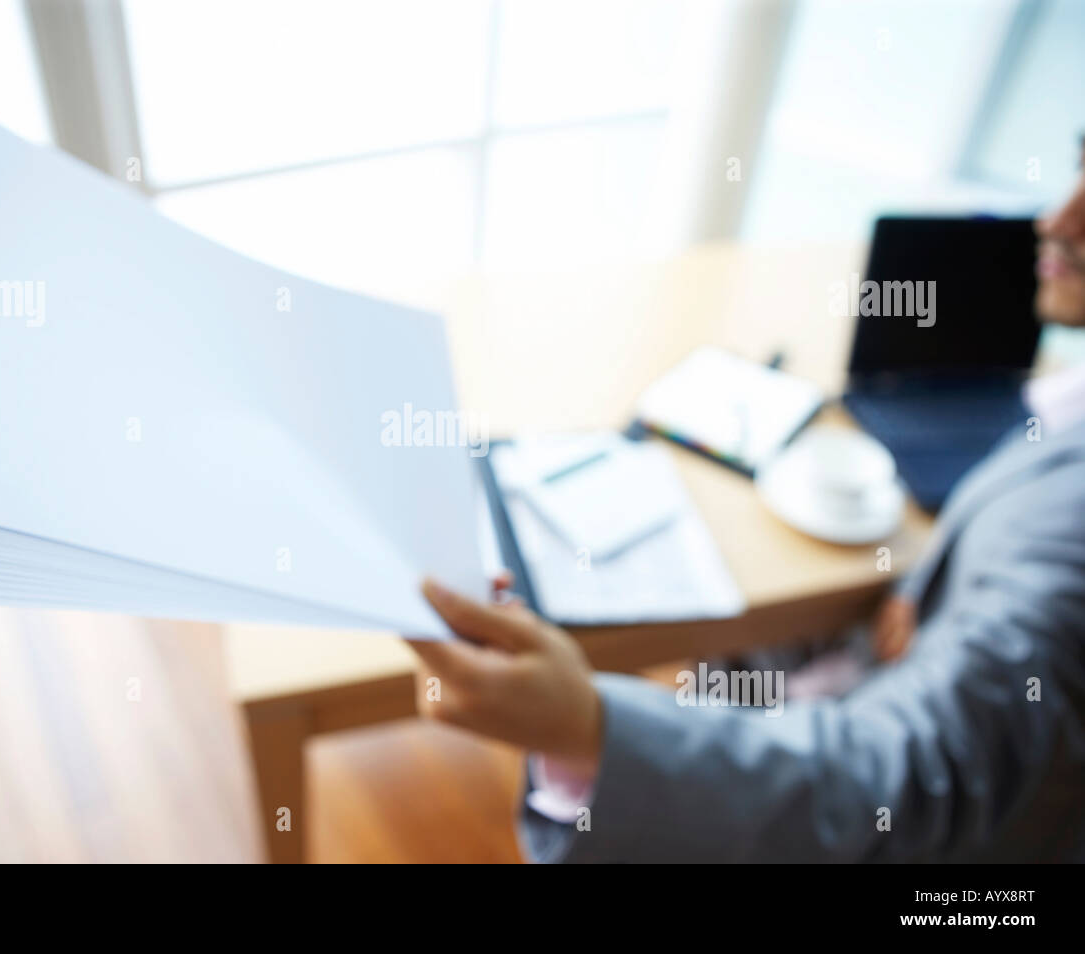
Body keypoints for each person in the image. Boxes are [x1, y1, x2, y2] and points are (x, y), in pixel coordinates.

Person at [409, 141, 1085, 863]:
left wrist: (589, 729)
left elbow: (914, 782)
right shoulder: (1060, 407)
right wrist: (925, 583)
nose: (1057, 218)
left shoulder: (1067, 524)